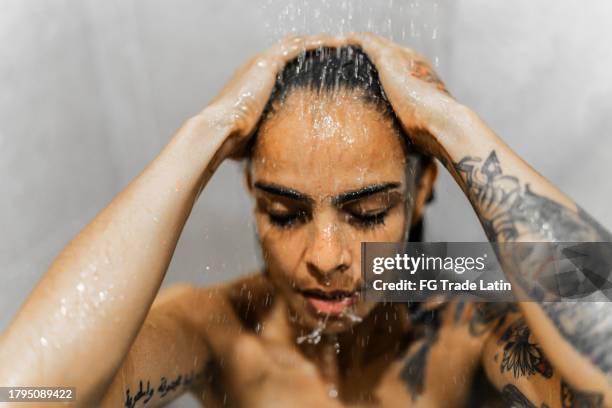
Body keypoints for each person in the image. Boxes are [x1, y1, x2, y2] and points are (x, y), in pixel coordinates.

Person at [1, 33, 611, 408]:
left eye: (368, 212)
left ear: (423, 186)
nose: (325, 257)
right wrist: (207, 132)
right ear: (248, 187)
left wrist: (451, 128)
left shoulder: (471, 318)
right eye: (285, 213)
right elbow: (24, 394)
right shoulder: (215, 329)